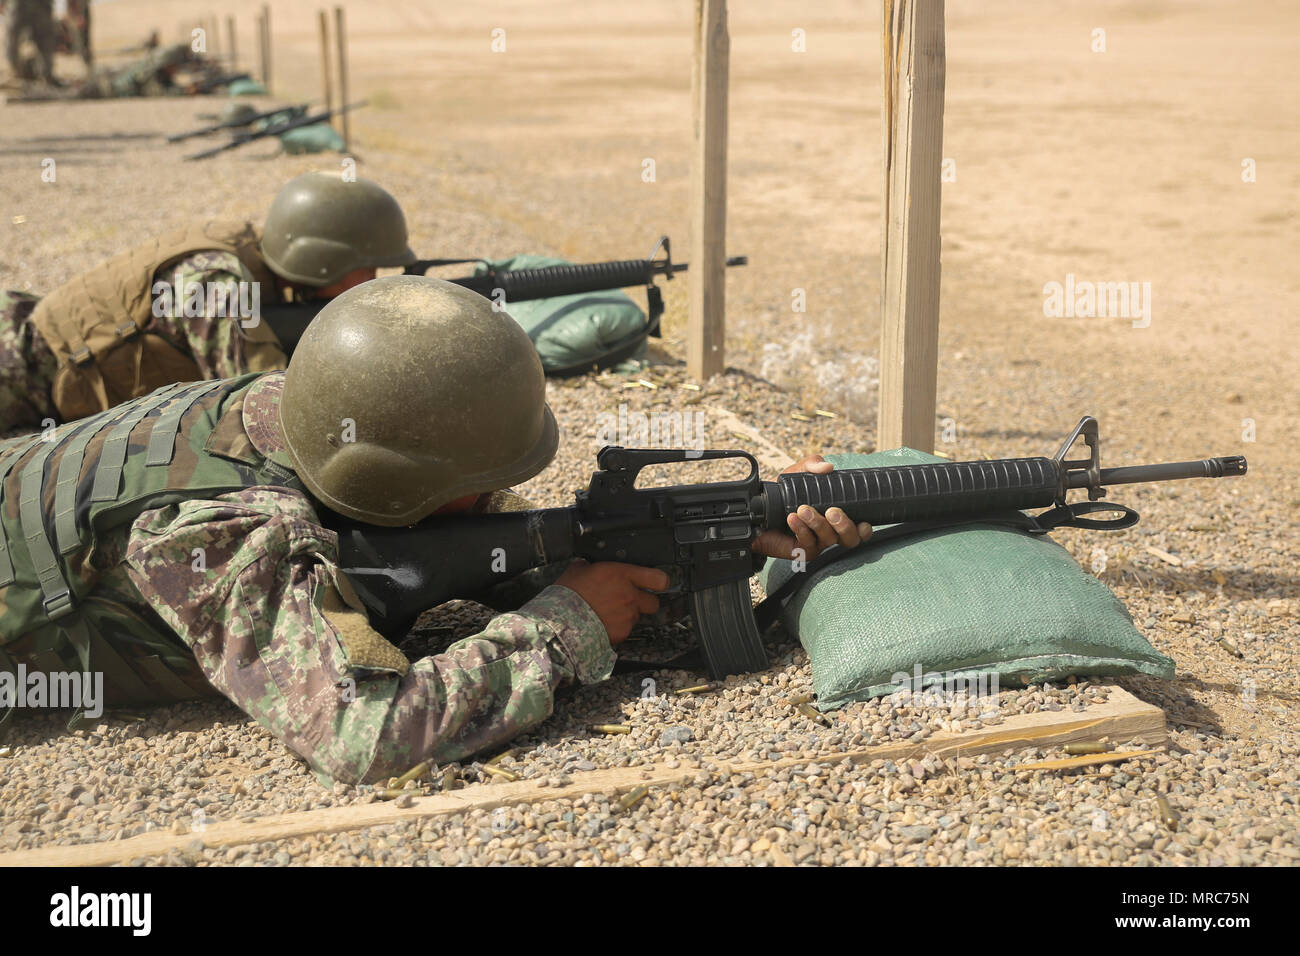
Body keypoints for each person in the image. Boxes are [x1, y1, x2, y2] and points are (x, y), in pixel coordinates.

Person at [0, 276, 871, 785]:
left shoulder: (315, 408)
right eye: (483, 483)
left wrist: (724, 544)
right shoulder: (225, 534)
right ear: (397, 487)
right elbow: (366, 733)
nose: (502, 494)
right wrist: (561, 629)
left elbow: (480, 559)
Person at [0, 172, 415, 434]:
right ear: (321, 261)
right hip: (17, 380)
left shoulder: (257, 251)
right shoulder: (218, 287)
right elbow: (269, 404)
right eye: (369, 268)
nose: (373, 282)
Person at [4, 0, 55, 84]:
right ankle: (15, 70)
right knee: (13, 36)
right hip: (20, 4)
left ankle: (46, 73)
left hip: (42, 5)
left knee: (45, 36)